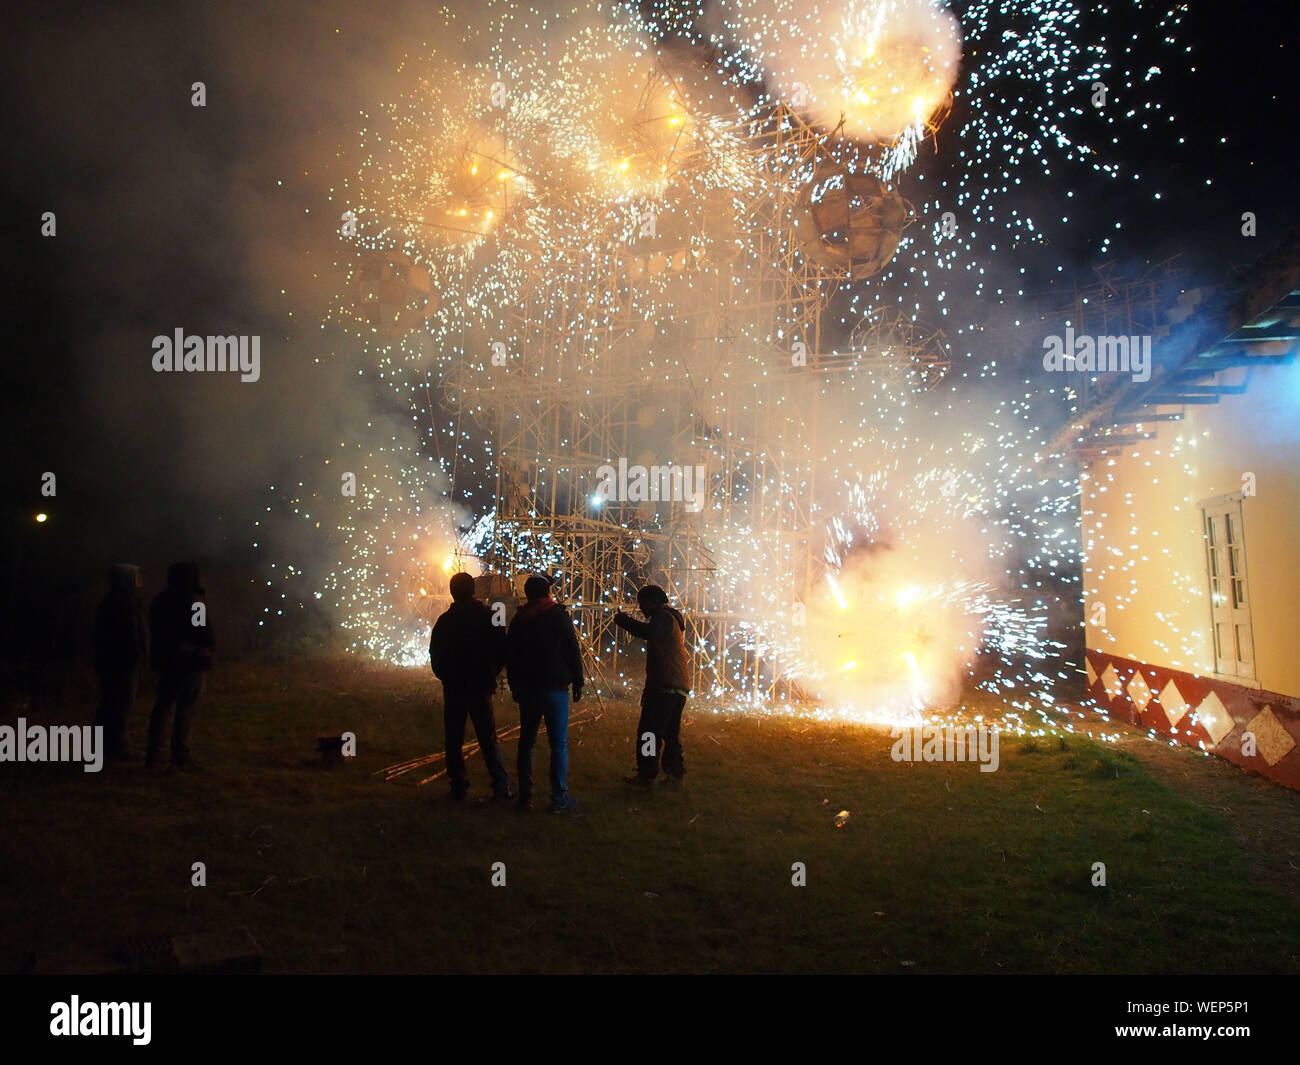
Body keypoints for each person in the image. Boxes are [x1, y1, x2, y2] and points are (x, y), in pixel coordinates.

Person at [429, 572, 513, 802]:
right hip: (480, 685)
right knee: (488, 738)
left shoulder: (445, 620)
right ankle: (501, 785)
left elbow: (435, 653)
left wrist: (446, 676)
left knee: (453, 739)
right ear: (474, 590)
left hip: (455, 686)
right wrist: (491, 674)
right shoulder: (491, 615)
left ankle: (459, 786)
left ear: (452, 591)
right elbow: (503, 648)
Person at [505, 575, 583, 814]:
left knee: (526, 743)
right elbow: (572, 648)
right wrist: (578, 681)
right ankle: (559, 799)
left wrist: (514, 685)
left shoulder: (520, 618)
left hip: (528, 688)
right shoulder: (558, 614)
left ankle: (525, 797)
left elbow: (512, 655)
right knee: (558, 744)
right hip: (555, 688)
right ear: (547, 592)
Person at [614, 585, 690, 787]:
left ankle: (647, 775)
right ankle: (675, 775)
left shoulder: (663, 618)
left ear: (652, 601)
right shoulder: (671, 618)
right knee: (670, 733)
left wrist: (624, 621)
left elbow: (649, 632)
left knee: (648, 732)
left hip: (664, 686)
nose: (641, 608)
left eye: (642, 603)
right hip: (677, 685)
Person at [146, 562, 214, 771]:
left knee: (163, 707)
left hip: (167, 662)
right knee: (186, 708)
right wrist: (205, 649)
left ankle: (154, 754)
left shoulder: (161, 600)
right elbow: (201, 631)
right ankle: (180, 754)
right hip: (189, 663)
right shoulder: (195, 602)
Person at [93, 563, 148, 762]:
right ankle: (116, 748)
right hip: (122, 661)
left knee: (111, 703)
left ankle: (105, 746)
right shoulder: (124, 602)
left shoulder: (115, 600)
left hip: (113, 660)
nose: (140, 578)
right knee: (119, 704)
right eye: (136, 575)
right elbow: (130, 632)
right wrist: (138, 654)